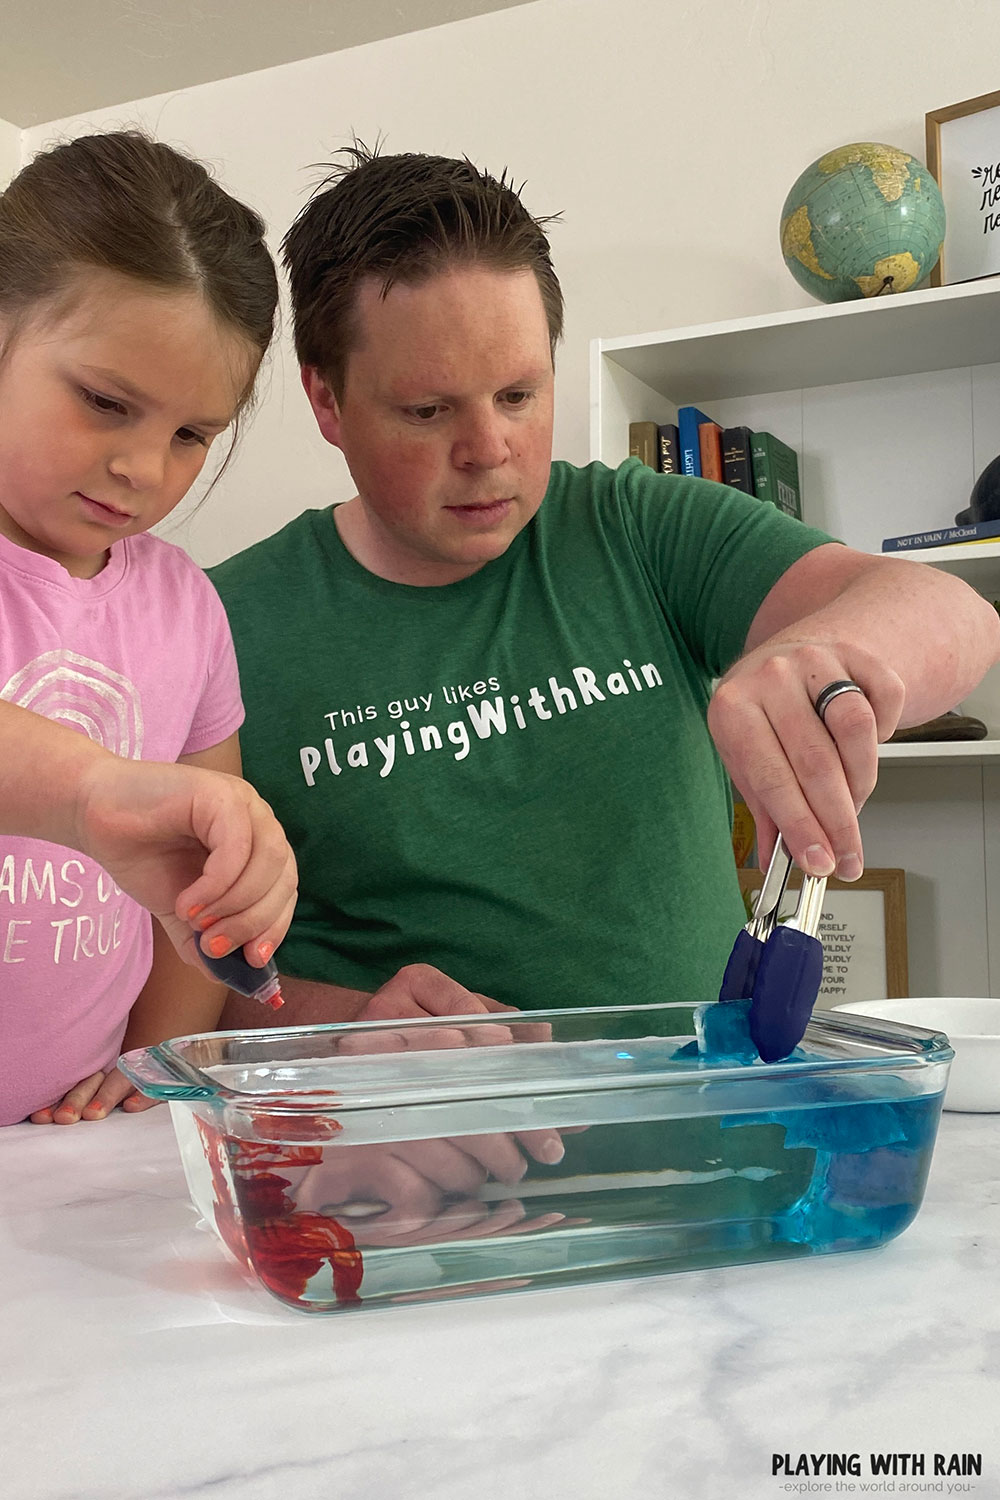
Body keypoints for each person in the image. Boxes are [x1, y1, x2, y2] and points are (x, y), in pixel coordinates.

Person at [211, 144, 1000, 1034]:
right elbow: (172, 987)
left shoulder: (635, 526)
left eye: (518, 394)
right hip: (404, 1152)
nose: (488, 449)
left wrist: (824, 658)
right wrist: (346, 1033)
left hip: (702, 1134)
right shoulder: (219, 627)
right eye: (428, 412)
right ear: (327, 402)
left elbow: (957, 615)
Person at [0, 132, 297, 1127]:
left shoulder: (186, 606)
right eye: (104, 402)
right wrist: (89, 791)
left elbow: (192, 889)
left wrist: (151, 1063)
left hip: (66, 1161)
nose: (142, 467)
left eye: (190, 436)